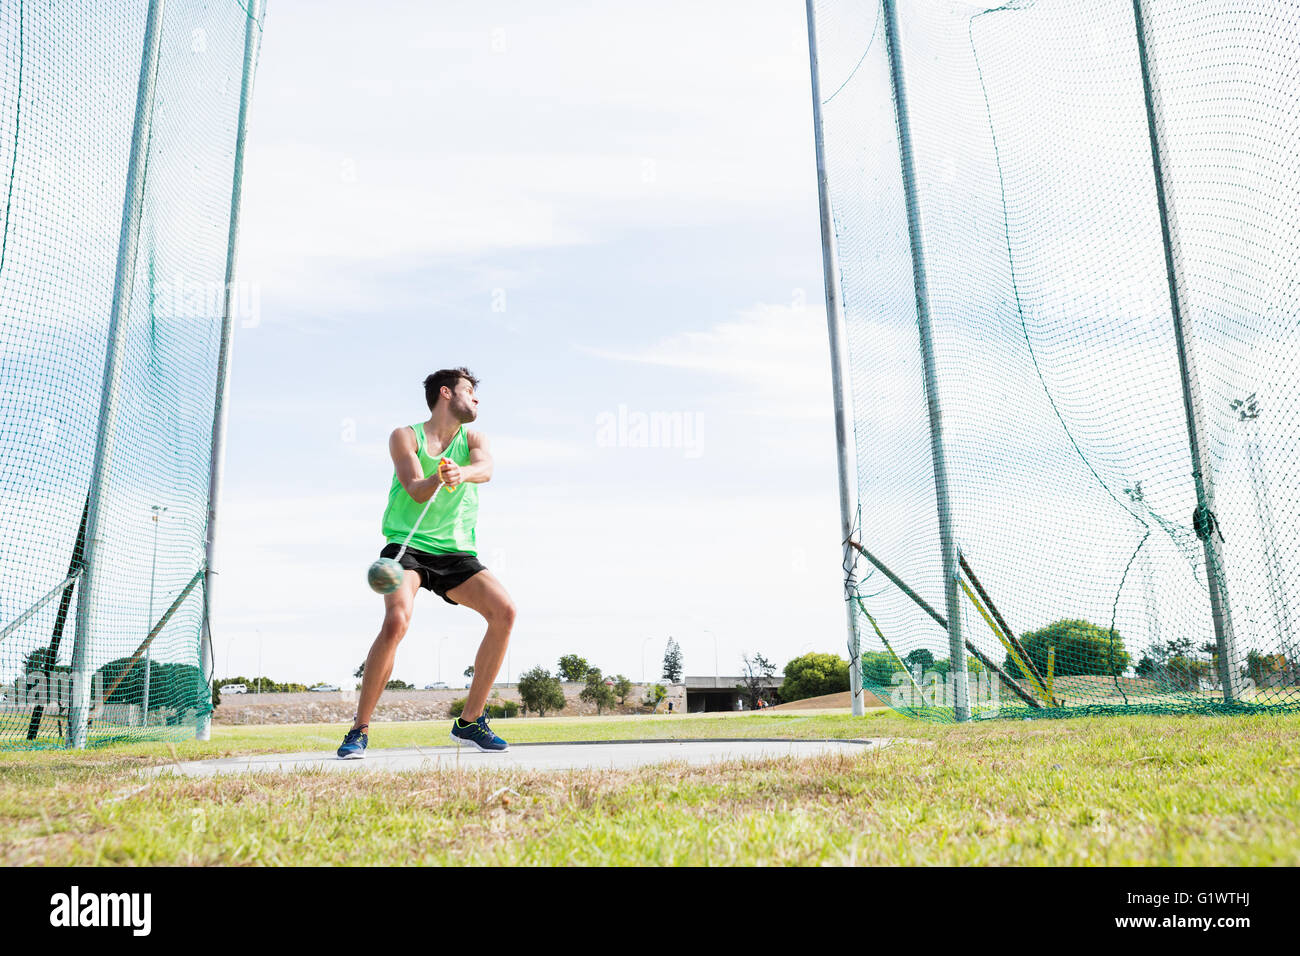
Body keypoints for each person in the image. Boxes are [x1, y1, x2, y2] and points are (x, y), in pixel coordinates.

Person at [337, 368, 516, 758]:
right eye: (470, 391)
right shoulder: (405, 436)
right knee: (396, 621)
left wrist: (461, 472)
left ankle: (469, 722)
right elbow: (416, 490)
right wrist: (439, 476)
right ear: (446, 393)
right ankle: (359, 729)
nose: (477, 399)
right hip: (408, 546)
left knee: (504, 612)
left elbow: (485, 470)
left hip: (455, 553)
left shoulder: (473, 439)